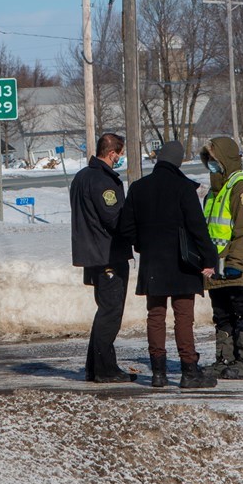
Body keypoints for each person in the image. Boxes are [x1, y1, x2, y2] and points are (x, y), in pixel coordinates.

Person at [118, 140, 219, 389]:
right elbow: (198, 228)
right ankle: (188, 372)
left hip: (153, 263)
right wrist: (209, 258)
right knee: (183, 317)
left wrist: (144, 245)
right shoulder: (183, 187)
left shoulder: (139, 188)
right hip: (183, 263)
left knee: (155, 316)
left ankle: (158, 374)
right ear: (178, 161)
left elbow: (126, 228)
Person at [70, 132, 136, 383]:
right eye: (119, 154)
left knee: (104, 311)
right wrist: (135, 232)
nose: (120, 159)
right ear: (112, 154)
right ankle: (105, 369)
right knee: (110, 312)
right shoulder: (103, 180)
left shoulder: (81, 177)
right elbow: (115, 218)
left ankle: (95, 367)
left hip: (92, 253)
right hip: (108, 253)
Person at [200, 137, 243, 380]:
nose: (211, 166)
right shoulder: (215, 192)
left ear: (225, 160)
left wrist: (235, 264)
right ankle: (226, 359)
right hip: (217, 267)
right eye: (209, 161)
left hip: (238, 268)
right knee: (223, 315)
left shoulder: (241, 187)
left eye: (214, 161)